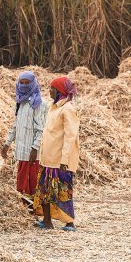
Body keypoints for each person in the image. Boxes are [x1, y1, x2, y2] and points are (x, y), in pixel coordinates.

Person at [33, 76, 80, 231]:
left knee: (63, 191)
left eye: (52, 88)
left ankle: (69, 222)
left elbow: (70, 136)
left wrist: (65, 159)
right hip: (48, 158)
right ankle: (47, 221)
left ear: (60, 91)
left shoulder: (68, 109)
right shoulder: (54, 108)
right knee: (44, 190)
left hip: (60, 159)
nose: (50, 91)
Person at [0, 71, 48, 203]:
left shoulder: (39, 103)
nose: (24, 86)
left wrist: (35, 148)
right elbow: (16, 125)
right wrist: (7, 143)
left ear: (33, 84)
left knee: (32, 181)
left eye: (27, 83)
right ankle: (24, 207)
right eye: (21, 83)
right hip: (21, 150)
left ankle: (34, 209)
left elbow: (41, 128)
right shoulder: (20, 102)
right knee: (22, 180)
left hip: (32, 152)